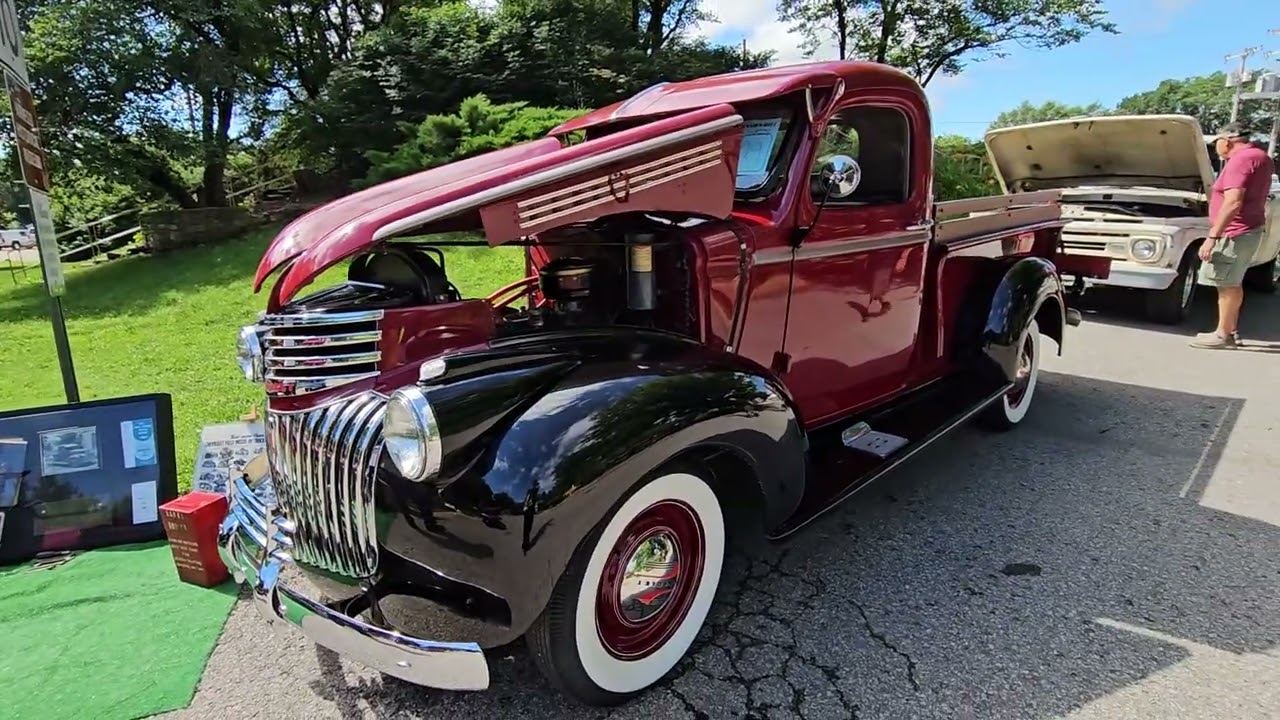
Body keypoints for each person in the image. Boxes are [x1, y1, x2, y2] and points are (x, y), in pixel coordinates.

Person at [1191, 122, 1276, 349]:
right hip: (1249, 228)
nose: (1216, 147)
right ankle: (1230, 330)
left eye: (1216, 142)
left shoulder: (1240, 160)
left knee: (1226, 285)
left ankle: (1222, 335)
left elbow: (1233, 202)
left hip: (1234, 231)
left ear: (1227, 140)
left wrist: (1213, 237)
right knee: (1232, 282)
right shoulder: (1261, 157)